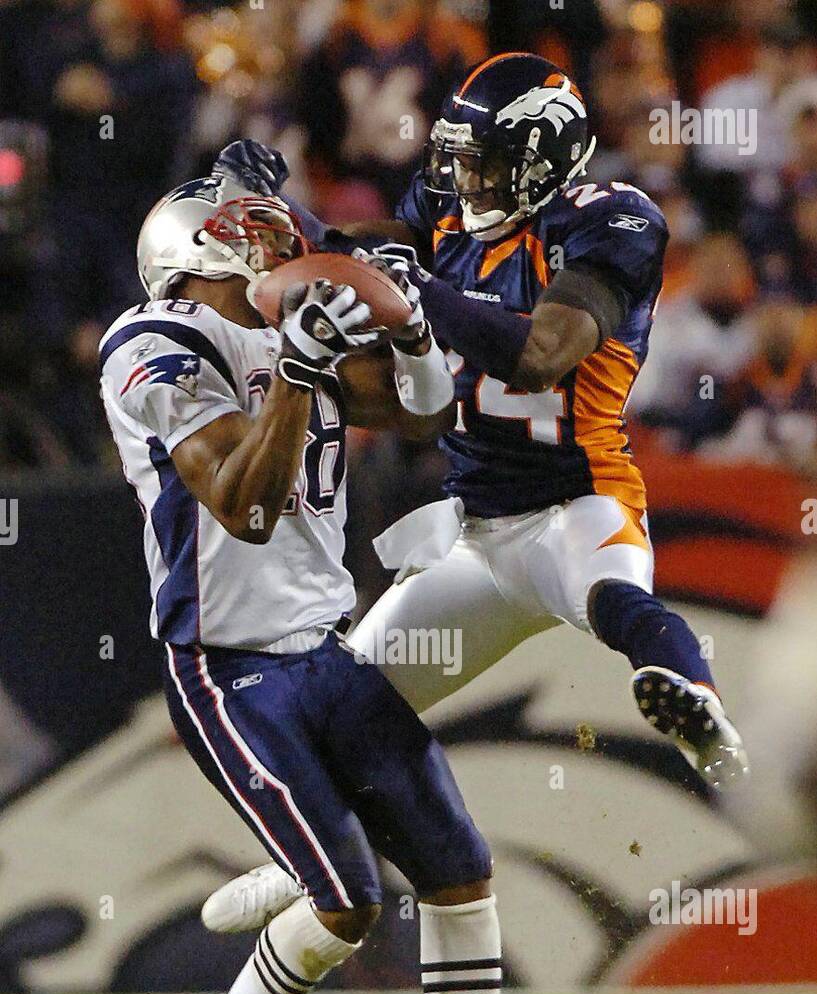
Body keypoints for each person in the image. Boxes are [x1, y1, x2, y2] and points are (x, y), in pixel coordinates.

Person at [205, 54, 750, 943]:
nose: (464, 177)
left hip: (577, 497)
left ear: (541, 158)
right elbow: (367, 252)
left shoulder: (612, 221)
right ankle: (305, 861)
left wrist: (415, 287)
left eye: (484, 159)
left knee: (614, 597)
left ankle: (697, 705)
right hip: (477, 534)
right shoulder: (456, 213)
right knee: (345, 704)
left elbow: (542, 351)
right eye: (460, 158)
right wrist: (284, 215)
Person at [99, 170, 566, 994]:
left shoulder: (275, 335)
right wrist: (303, 367)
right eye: (255, 239)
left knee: (457, 866)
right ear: (195, 255)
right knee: (348, 902)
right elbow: (243, 506)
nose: (280, 253)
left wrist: (407, 336)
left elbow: (423, 417)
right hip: (227, 668)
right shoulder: (150, 344)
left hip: (326, 650)